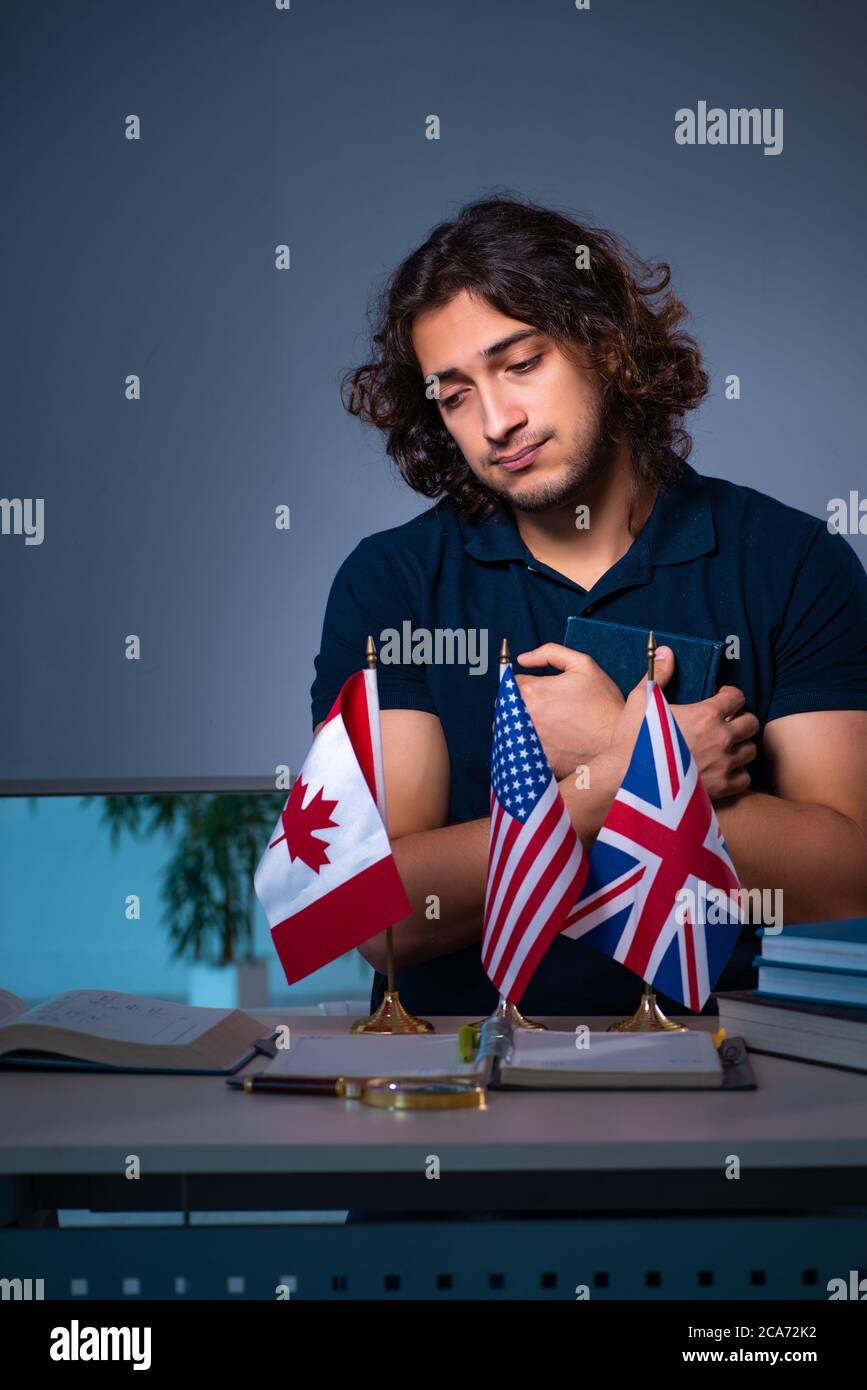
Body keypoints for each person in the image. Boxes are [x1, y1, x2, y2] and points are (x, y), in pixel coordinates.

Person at [310, 195, 867, 1019]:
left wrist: (618, 747)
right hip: (460, 1070)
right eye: (454, 393)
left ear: (604, 345)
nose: (496, 421)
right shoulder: (392, 583)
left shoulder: (790, 560)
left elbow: (846, 879)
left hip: (727, 1065)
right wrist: (626, 778)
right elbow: (380, 917)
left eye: (519, 363)